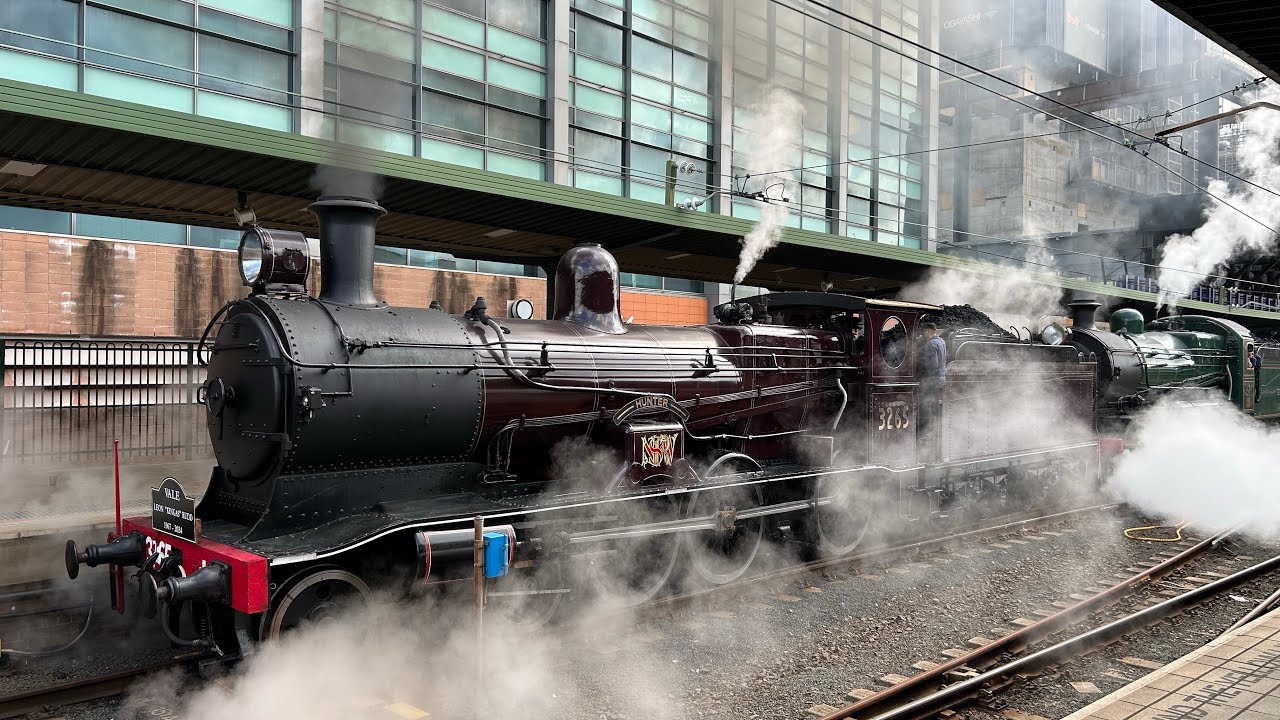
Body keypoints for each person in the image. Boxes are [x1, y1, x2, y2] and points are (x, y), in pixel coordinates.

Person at [918, 322, 947, 444]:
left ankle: (925, 437)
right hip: (941, 378)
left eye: (924, 332)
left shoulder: (930, 344)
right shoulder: (942, 342)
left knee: (925, 406)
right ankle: (936, 435)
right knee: (936, 407)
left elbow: (933, 365)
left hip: (933, 379)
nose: (923, 335)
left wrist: (926, 378)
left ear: (929, 331)